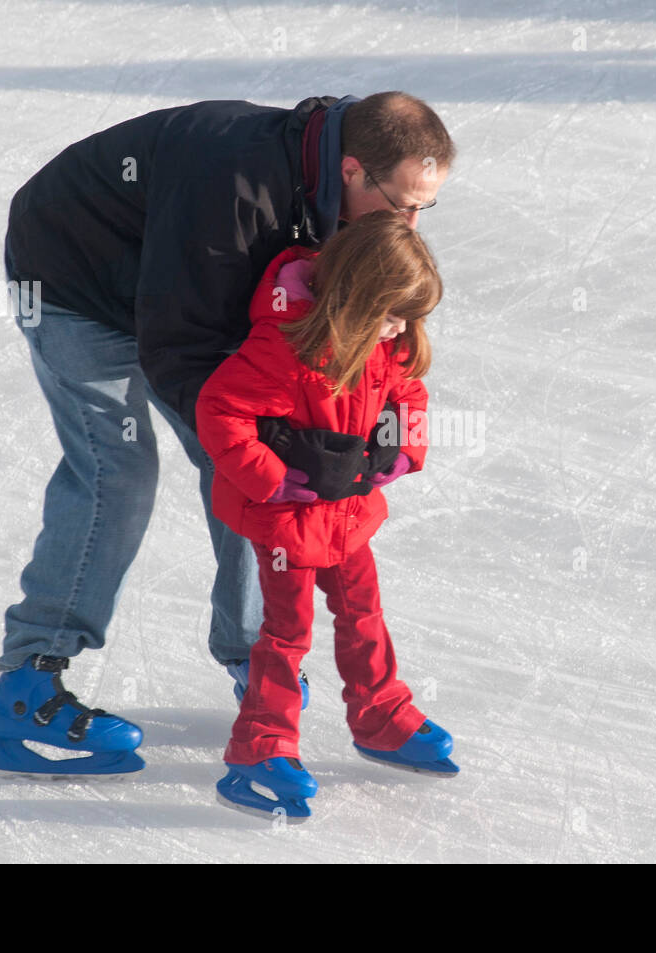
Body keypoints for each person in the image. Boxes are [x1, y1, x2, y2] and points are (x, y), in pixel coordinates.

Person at [0, 93, 455, 778]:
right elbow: (181, 343)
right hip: (72, 281)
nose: (412, 224)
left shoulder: (325, 194)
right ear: (353, 169)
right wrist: (273, 454)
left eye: (425, 208)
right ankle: (29, 681)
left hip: (166, 287)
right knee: (121, 471)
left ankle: (253, 650)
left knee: (248, 455)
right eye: (404, 202)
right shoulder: (235, 188)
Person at [194, 212, 457, 820]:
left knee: (364, 612)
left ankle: (381, 715)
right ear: (359, 299)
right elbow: (220, 410)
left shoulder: (386, 346)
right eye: (393, 315)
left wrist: (400, 447)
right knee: (287, 633)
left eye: (409, 319)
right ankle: (259, 750)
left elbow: (409, 394)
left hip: (349, 513)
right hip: (289, 521)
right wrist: (272, 477)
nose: (400, 331)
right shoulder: (286, 349)